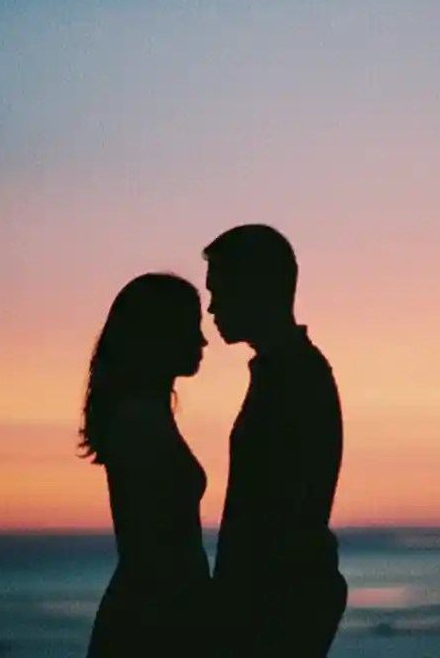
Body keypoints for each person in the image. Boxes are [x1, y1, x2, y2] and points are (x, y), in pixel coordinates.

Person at [204, 225, 347, 657]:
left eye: (220, 291)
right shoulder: (282, 371)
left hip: (271, 614)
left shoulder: (295, 376)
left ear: (254, 289)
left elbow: (281, 512)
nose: (211, 307)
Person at [80, 273, 211, 657]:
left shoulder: (148, 412)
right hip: (151, 626)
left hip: (156, 617)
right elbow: (153, 547)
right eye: (192, 327)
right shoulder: (138, 420)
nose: (203, 340)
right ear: (160, 334)